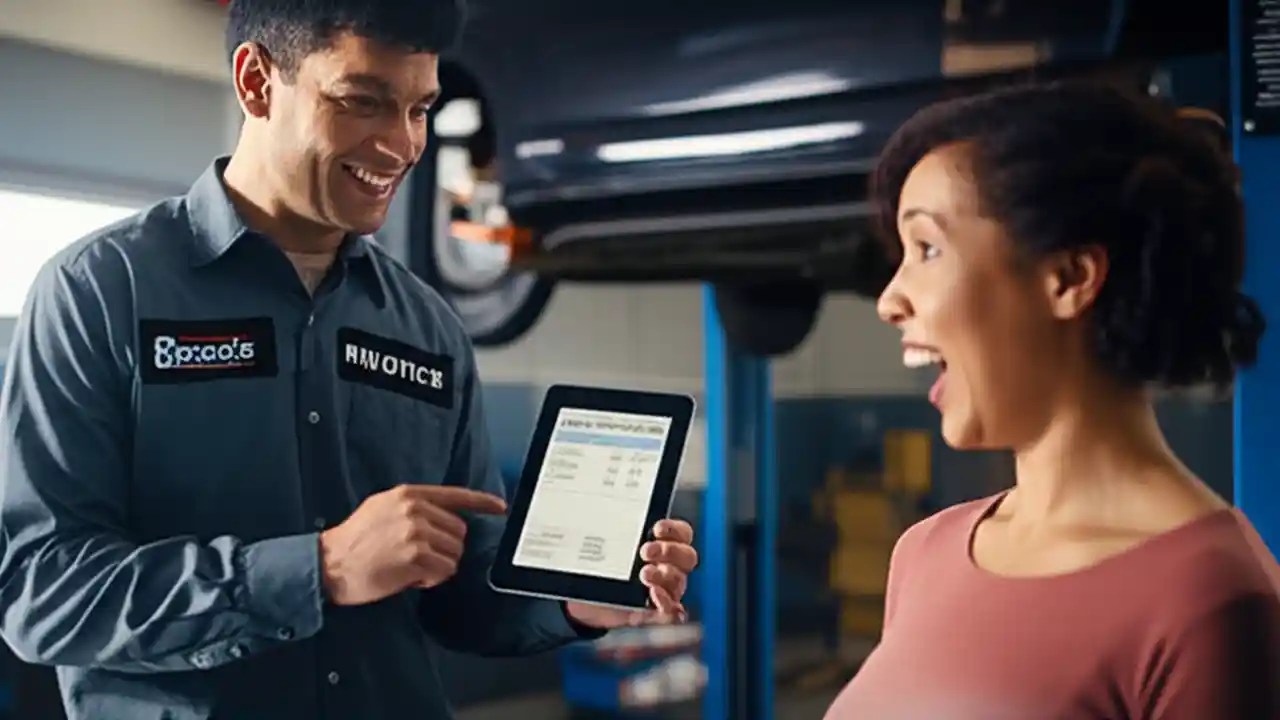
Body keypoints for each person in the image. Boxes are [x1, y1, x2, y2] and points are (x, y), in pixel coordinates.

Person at [0, 1, 697, 718]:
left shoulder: (428, 328)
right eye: (362, 102)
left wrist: (568, 600)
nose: (401, 144)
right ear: (257, 83)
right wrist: (321, 569)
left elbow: (460, 596)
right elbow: (42, 593)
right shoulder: (101, 293)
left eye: (421, 109)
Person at [825, 81, 1280, 719]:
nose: (890, 299)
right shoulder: (924, 552)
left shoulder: (1210, 597)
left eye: (927, 248)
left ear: (1068, 278)